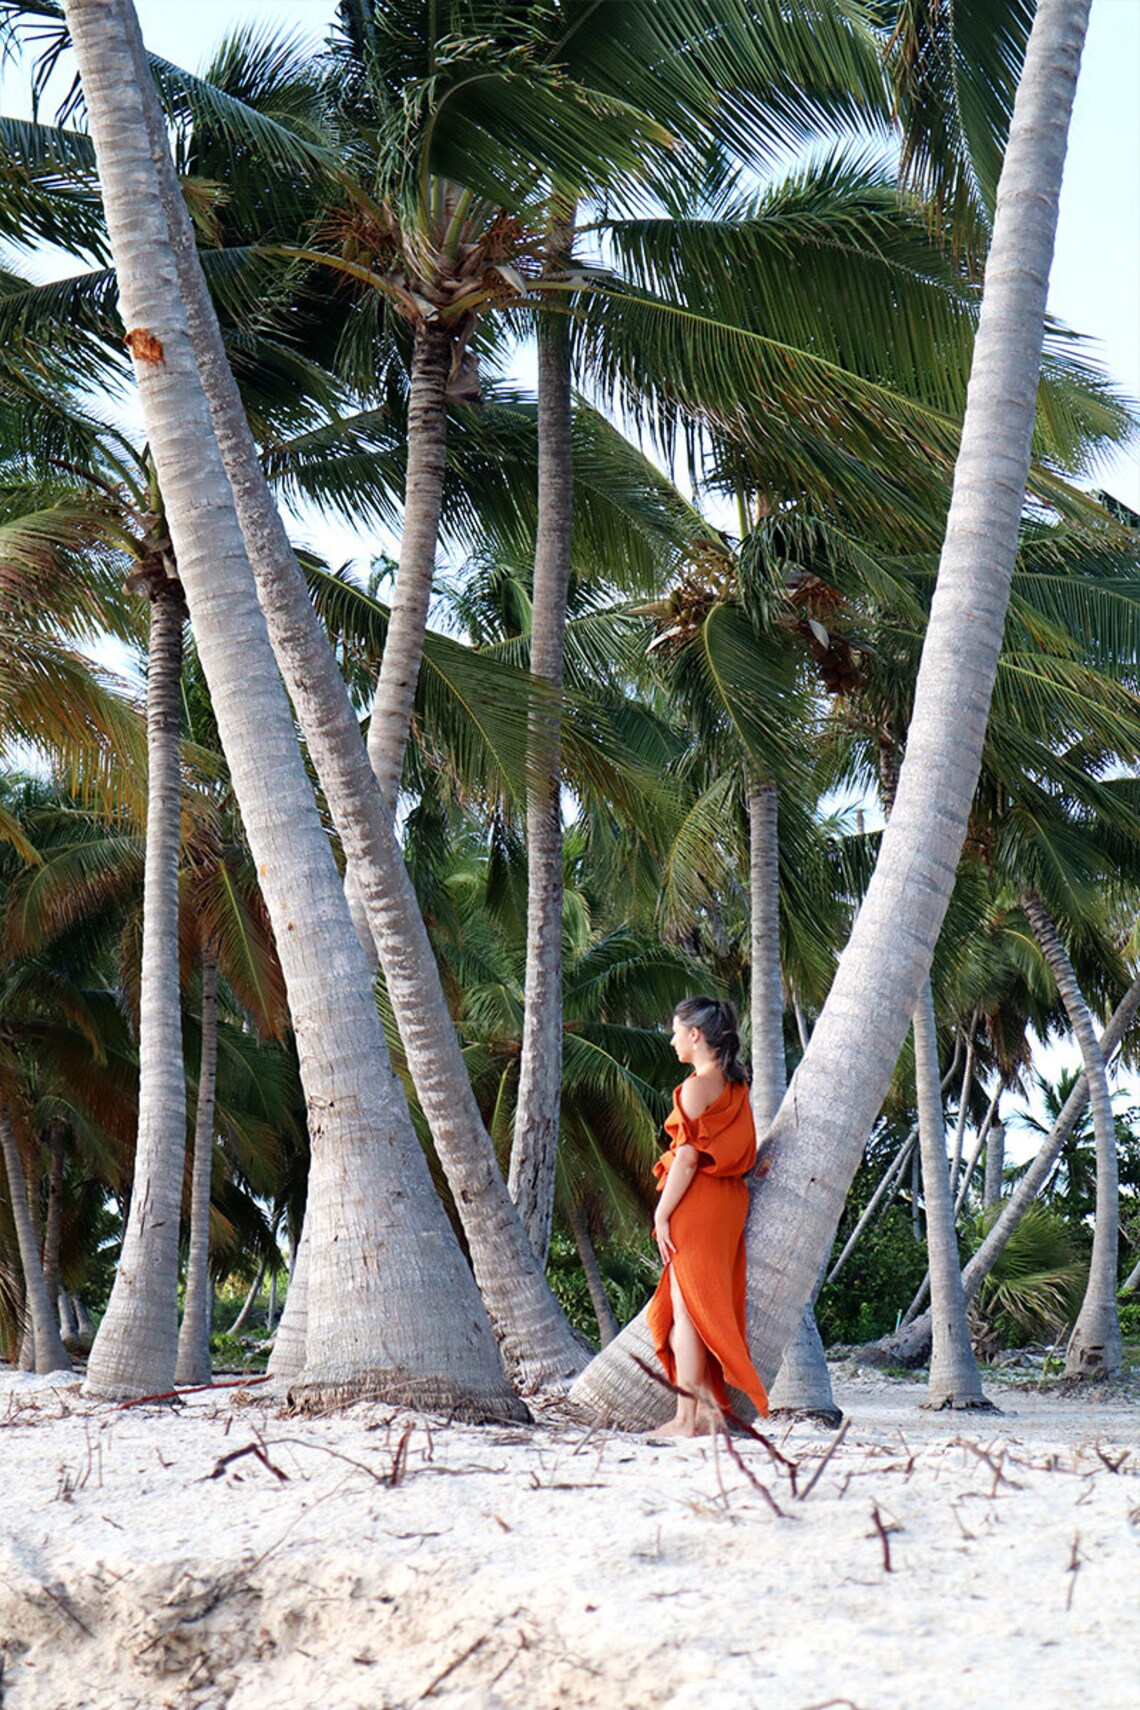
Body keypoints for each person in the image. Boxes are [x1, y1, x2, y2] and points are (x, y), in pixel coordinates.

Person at [647, 996, 768, 1437]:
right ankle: (707, 1412)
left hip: (697, 1205)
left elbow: (686, 1159)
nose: (672, 1040)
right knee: (695, 1311)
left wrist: (662, 1214)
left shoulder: (695, 1087)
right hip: (727, 1202)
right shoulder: (736, 1084)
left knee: (686, 1311)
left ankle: (687, 1418)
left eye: (676, 1032)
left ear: (695, 1035)